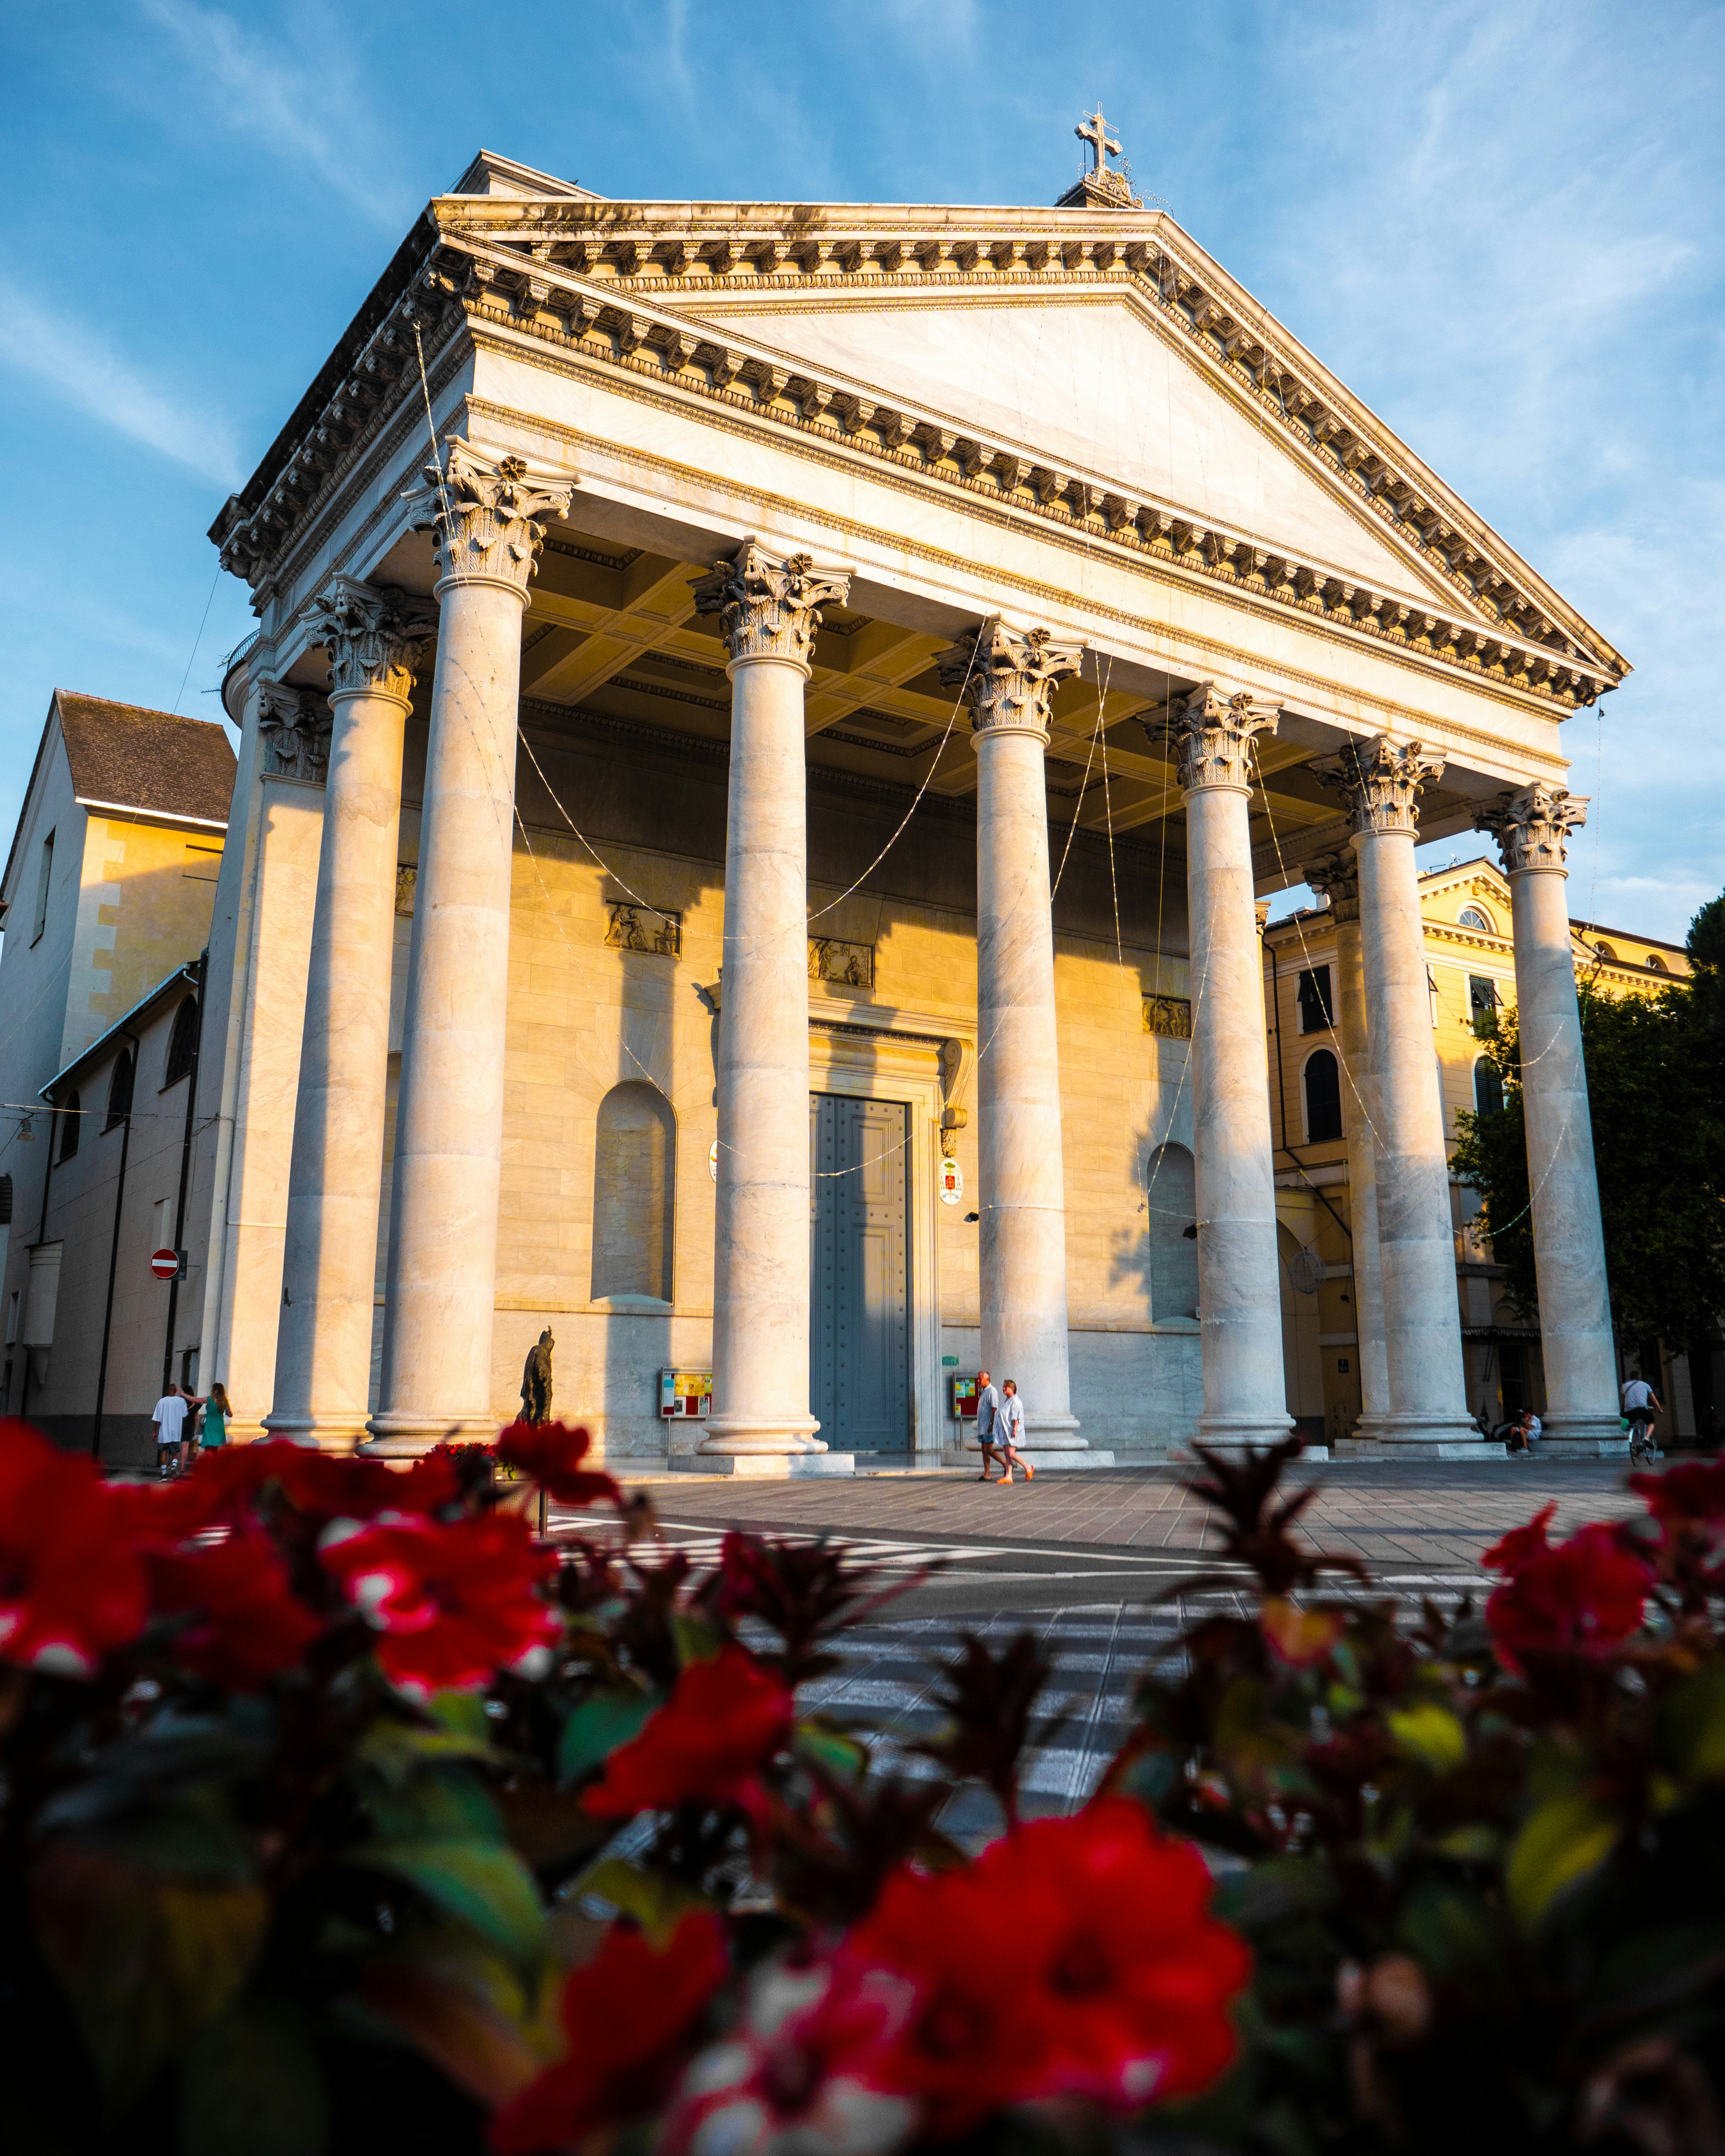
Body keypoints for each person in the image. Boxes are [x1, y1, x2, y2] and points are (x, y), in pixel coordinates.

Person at [995, 1379, 1034, 1484]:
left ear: (1012, 1389)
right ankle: (1009, 1476)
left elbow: (1016, 1417)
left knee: (1011, 1453)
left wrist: (1015, 1430)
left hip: (1013, 1431)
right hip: (1006, 1432)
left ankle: (1028, 1467)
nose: (1003, 1388)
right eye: (1003, 1386)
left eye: (1006, 1387)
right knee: (1007, 1454)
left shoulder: (1015, 1401)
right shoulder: (1008, 1400)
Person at [152, 1385, 191, 1480]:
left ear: (167, 1390)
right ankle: (174, 1465)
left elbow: (157, 1419)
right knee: (176, 1452)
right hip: (176, 1433)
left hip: (164, 1433)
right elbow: (185, 1416)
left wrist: (155, 1432)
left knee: (163, 1452)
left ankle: (164, 1475)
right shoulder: (181, 1401)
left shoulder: (162, 1402)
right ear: (176, 1391)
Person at [1623, 1373, 1663, 1462]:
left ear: (1631, 1378)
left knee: (1634, 1424)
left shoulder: (1625, 1386)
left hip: (1628, 1411)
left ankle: (1636, 1444)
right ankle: (1647, 1438)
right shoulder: (1645, 1385)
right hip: (1642, 1409)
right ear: (1639, 1378)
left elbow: (1625, 1398)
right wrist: (1659, 1409)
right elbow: (1653, 1399)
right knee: (1651, 1422)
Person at [973, 1369, 1004, 1482]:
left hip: (988, 1426)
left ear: (987, 1379)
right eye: (978, 1379)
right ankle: (987, 1473)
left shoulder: (992, 1391)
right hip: (982, 1427)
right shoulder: (984, 1391)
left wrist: (992, 1424)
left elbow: (994, 1409)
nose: (978, 1381)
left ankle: (1005, 1465)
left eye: (980, 1379)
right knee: (984, 1450)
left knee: (989, 1450)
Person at [199, 1383, 232, 1450]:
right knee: (215, 1447)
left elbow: (195, 1400)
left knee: (208, 1446)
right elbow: (230, 1414)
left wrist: (183, 1394)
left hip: (210, 1425)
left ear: (214, 1391)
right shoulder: (225, 1401)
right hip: (219, 1425)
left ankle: (208, 1461)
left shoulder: (210, 1400)